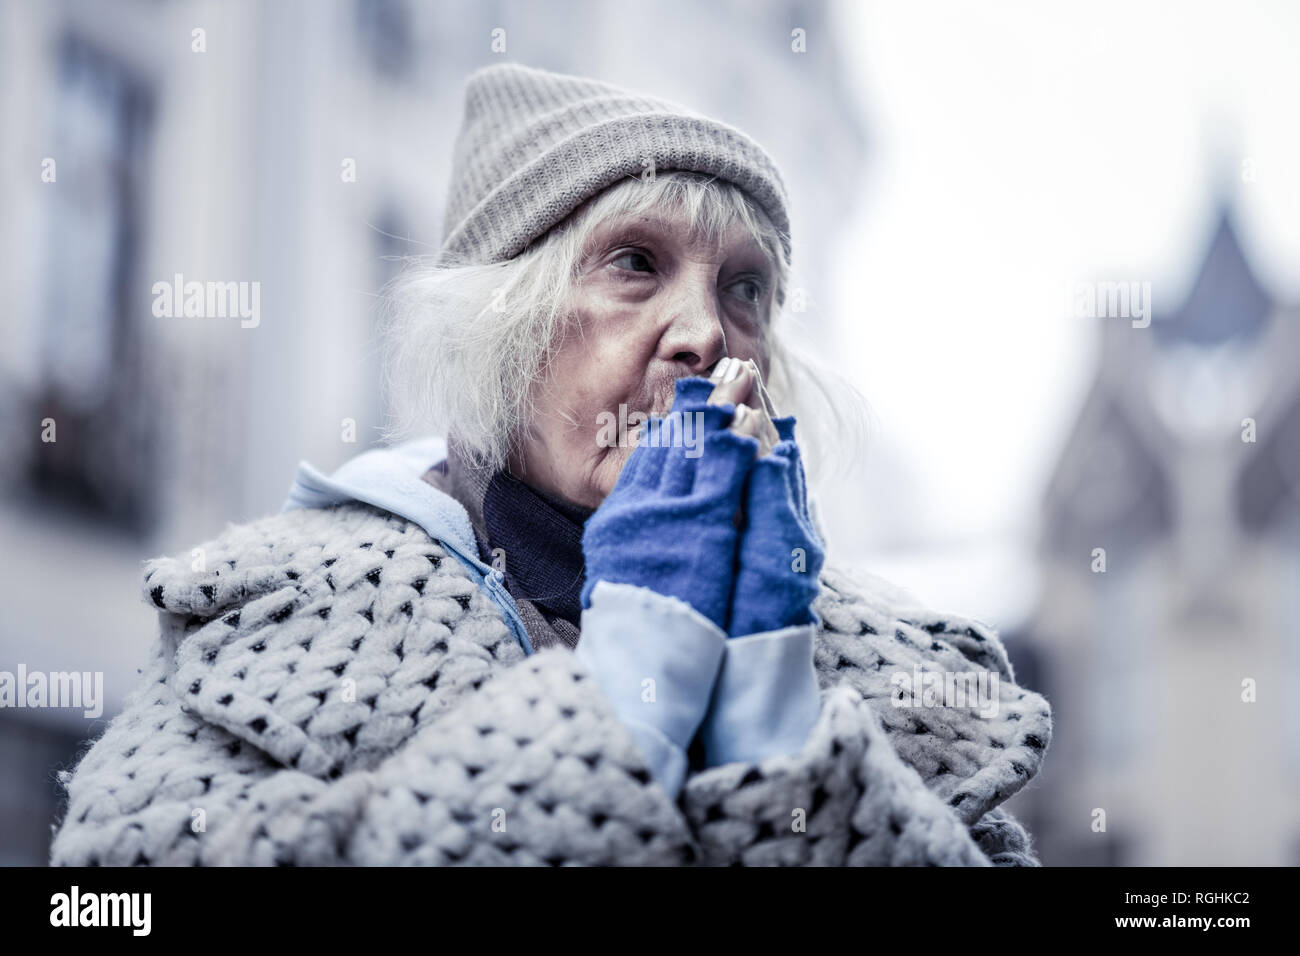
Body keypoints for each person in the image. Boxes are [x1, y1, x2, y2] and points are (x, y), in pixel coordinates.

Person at [49, 62, 1051, 866]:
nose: (705, 332)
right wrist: (628, 689)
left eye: (745, 287)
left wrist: (775, 726)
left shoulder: (885, 667)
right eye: (633, 264)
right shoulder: (284, 613)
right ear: (505, 324)